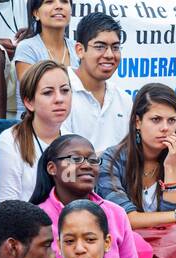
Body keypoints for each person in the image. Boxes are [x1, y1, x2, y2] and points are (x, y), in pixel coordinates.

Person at [97, 83, 176, 244]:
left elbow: (171, 227)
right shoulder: (112, 160)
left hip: (167, 247)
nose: (165, 128)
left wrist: (170, 167)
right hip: (127, 246)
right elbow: (127, 220)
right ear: (137, 122)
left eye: (172, 120)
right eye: (156, 120)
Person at [30, 134, 145, 258]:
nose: (86, 165)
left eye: (93, 160)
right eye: (75, 159)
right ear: (52, 168)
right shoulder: (35, 218)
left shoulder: (116, 213)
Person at [0, 59, 73, 203]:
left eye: (65, 90)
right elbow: (6, 209)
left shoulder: (72, 140)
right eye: (48, 93)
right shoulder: (9, 143)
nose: (59, 99)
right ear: (29, 102)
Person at [65, 12, 128, 155]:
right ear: (80, 50)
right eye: (100, 47)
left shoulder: (124, 99)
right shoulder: (60, 93)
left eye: (115, 47)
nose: (109, 55)